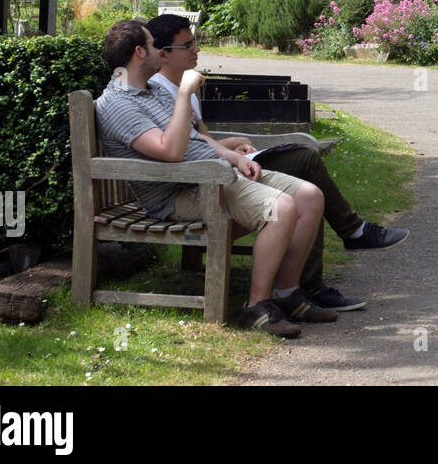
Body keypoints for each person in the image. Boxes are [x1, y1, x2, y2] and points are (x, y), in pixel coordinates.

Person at [145, 14, 407, 314]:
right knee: (305, 160)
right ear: (164, 53)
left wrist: (231, 145)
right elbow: (181, 147)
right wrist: (230, 156)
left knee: (306, 178)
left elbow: (200, 138)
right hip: (204, 178)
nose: (196, 49)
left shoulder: (184, 85)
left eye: (195, 42)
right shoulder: (162, 91)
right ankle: (338, 250)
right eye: (187, 44)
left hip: (221, 164)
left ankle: (319, 269)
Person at [95, 20, 334, 337]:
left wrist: (235, 157)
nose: (161, 51)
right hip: (183, 191)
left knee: (310, 197)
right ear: (139, 52)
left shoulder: (150, 90)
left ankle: (288, 293)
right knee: (284, 208)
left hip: (214, 176)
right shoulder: (117, 103)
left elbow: (194, 138)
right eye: (155, 45)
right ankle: (257, 307)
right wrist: (184, 94)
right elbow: (170, 151)